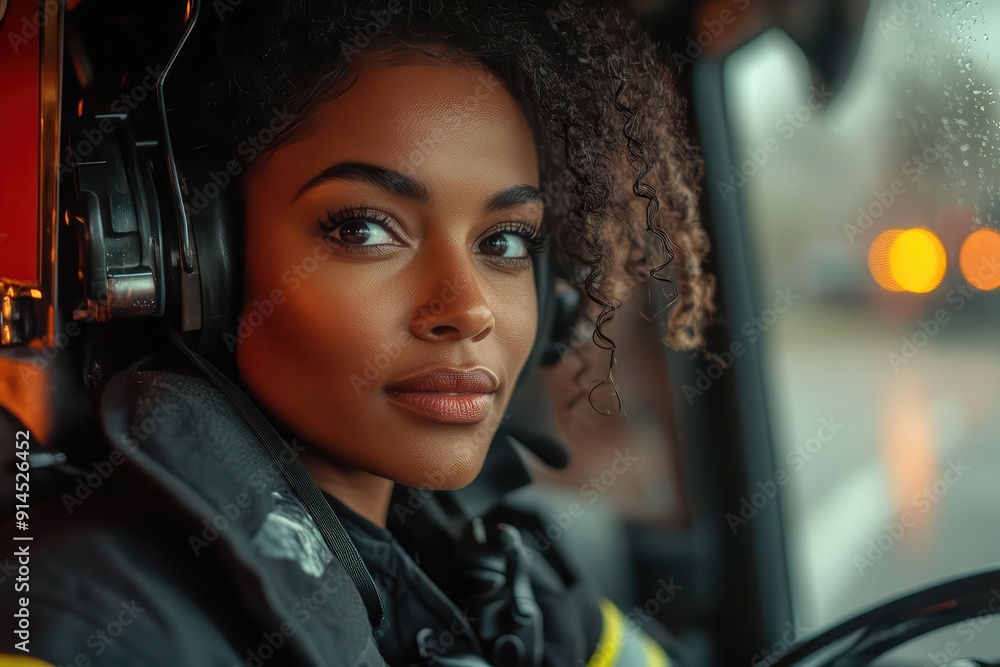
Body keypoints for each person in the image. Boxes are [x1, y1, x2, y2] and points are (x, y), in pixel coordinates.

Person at [1, 1, 712, 665]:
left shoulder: (515, 575)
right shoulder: (83, 620)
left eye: (504, 241)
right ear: (201, 265)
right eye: (364, 229)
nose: (470, 309)